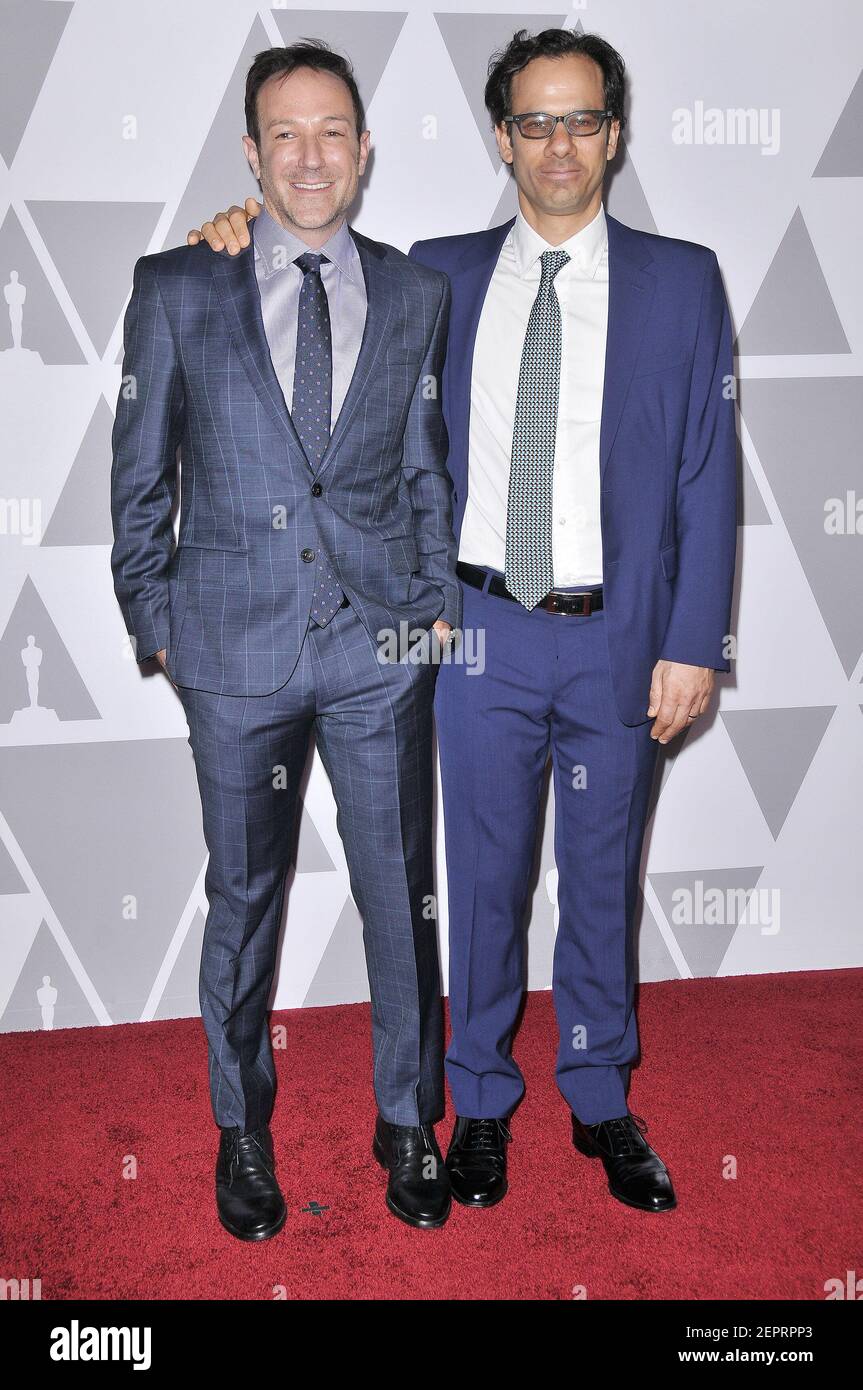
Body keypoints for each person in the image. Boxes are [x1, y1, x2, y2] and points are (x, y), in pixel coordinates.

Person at [189, 28, 737, 1216]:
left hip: (618, 637)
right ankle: (477, 1103)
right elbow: (303, 278)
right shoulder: (431, 276)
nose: (557, 143)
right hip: (473, 635)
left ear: (613, 132)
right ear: (500, 138)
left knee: (602, 877)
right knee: (479, 884)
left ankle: (597, 1095)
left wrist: (693, 639)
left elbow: (706, 472)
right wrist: (228, 231)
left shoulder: (681, 279)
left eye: (580, 118)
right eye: (532, 121)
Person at [111, 41, 462, 1239]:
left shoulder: (416, 294)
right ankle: (241, 1130)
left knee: (398, 896)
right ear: (252, 154)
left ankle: (407, 1117)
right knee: (244, 901)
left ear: (362, 154)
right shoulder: (177, 284)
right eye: (286, 135)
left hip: (378, 655)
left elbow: (425, 475)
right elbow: (136, 481)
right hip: (233, 656)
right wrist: (160, 629)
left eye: (333, 134)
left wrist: (429, 622)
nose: (310, 157)